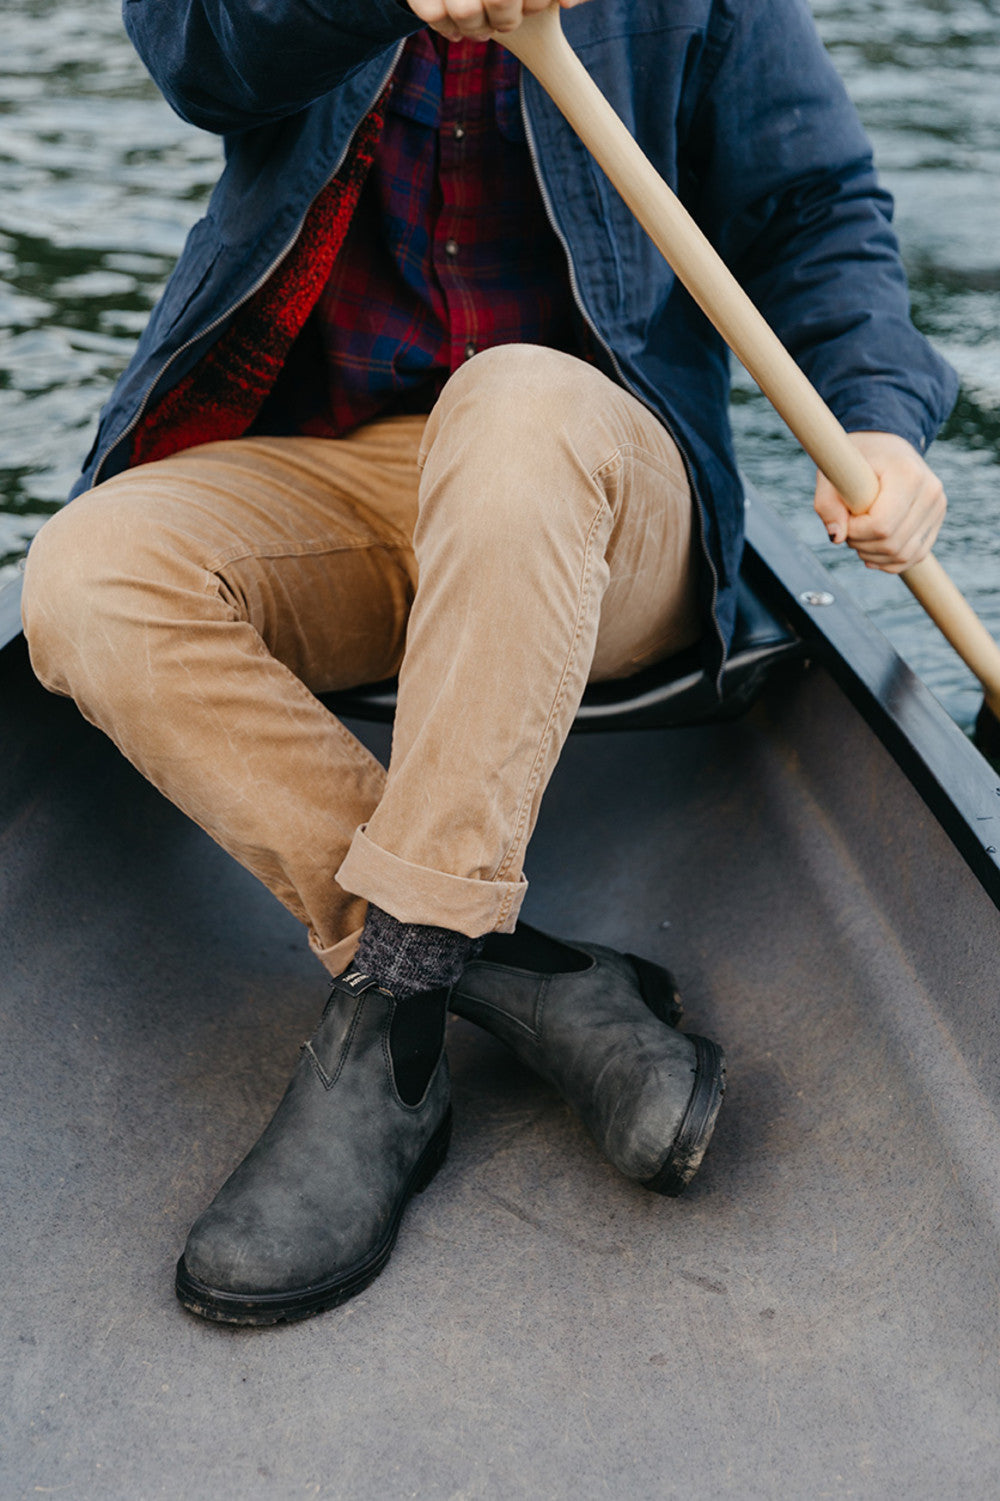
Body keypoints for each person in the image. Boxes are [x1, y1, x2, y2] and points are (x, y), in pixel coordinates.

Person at [20, 0, 956, 1326]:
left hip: (590, 494)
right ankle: (512, 970)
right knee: (83, 573)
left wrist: (882, 418)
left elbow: (819, 209)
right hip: (343, 475)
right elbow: (196, 58)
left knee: (513, 404)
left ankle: (393, 1034)